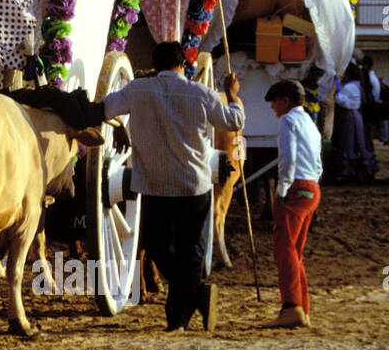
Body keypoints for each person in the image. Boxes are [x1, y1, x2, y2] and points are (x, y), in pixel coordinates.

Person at [101, 41, 244, 332]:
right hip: (194, 185)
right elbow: (235, 121)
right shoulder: (201, 93)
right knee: (191, 250)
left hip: (154, 185)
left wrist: (121, 128)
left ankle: (178, 318)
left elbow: (103, 109)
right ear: (183, 64)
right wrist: (233, 96)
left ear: (155, 65)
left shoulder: (138, 89)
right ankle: (193, 297)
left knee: (157, 247)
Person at [262, 80, 322, 328]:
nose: (273, 107)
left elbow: (288, 157)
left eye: (275, 102)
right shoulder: (309, 121)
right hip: (312, 187)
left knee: (284, 249)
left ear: (285, 101)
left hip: (296, 188)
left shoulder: (288, 121)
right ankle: (300, 307)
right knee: (294, 251)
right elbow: (317, 161)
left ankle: (291, 307)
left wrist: (282, 189)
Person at [330, 63, 376, 183]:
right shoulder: (356, 85)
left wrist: (335, 94)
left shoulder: (351, 86)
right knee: (353, 142)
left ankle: (353, 171)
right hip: (352, 116)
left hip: (350, 116)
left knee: (351, 142)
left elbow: (344, 101)